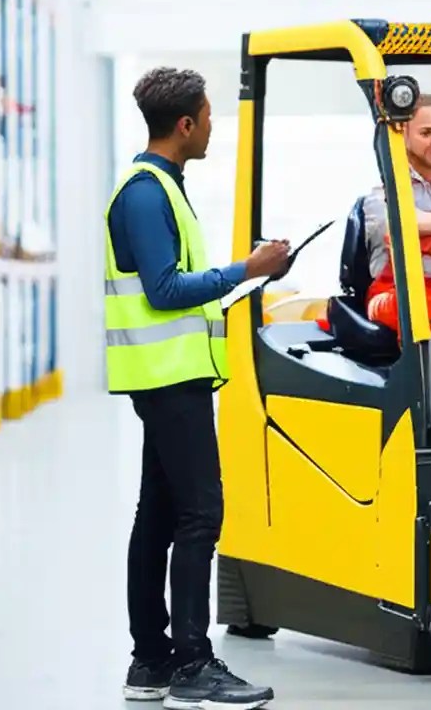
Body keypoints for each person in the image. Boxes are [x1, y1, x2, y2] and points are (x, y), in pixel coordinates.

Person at [103, 66, 288, 709]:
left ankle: (151, 661)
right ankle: (191, 664)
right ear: (185, 124)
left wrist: (246, 274)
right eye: (208, 116)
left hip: (172, 375)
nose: (213, 125)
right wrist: (247, 269)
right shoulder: (147, 193)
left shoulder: (162, 188)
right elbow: (164, 290)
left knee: (158, 514)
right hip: (166, 379)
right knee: (200, 513)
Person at [362, 93, 431, 338]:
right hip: (395, 294)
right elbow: (403, 223)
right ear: (402, 134)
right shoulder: (382, 196)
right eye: (426, 133)